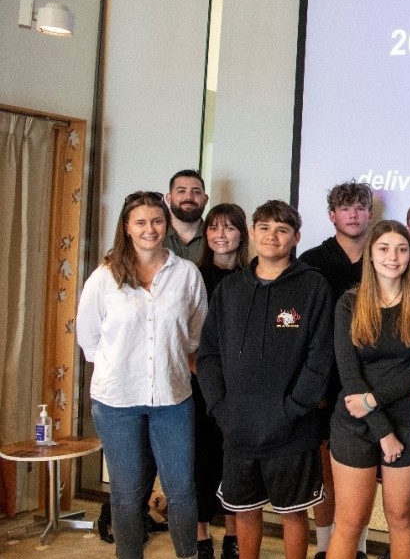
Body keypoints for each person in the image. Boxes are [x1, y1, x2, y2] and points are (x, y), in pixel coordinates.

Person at [197, 200, 335, 559]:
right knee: (244, 509)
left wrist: (292, 409)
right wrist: (219, 406)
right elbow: (209, 353)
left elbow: (320, 358)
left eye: (282, 230)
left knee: (292, 512)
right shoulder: (230, 289)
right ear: (253, 233)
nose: (272, 236)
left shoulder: (313, 286)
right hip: (238, 426)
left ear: (296, 237)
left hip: (292, 427)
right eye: (265, 228)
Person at [76, 191, 206, 559]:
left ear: (166, 224)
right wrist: (120, 366)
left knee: (181, 488)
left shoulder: (186, 274)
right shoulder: (105, 277)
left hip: (172, 398)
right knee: (128, 490)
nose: (150, 229)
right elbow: (89, 336)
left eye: (157, 221)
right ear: (127, 227)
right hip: (117, 401)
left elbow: (195, 330)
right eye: (141, 222)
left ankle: (188, 555)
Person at [328, 221, 410, 559]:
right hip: (355, 424)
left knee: (401, 519)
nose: (393, 256)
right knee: (350, 522)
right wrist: (382, 430)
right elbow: (349, 375)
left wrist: (375, 400)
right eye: (384, 248)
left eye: (401, 249)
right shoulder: (349, 303)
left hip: (407, 421)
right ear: (371, 255)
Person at [299, 182, 373, 559]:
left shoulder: (383, 258)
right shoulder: (311, 261)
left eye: (360, 207)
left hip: (373, 380)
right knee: (326, 470)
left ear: (370, 214)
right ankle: (327, 548)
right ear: (332, 216)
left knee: (364, 471)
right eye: (346, 209)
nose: (354, 214)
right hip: (325, 381)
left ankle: (356, 548)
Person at [193, 203, 249, 559]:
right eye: (214, 228)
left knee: (234, 463)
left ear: (242, 234)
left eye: (229, 228)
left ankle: (232, 536)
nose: (220, 235)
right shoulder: (191, 274)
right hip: (199, 384)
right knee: (201, 459)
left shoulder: (252, 277)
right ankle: (200, 537)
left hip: (241, 387)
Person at [163, 169, 210, 263]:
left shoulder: (216, 238)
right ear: (168, 198)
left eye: (196, 192)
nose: (188, 197)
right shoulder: (154, 235)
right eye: (181, 191)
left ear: (205, 199)